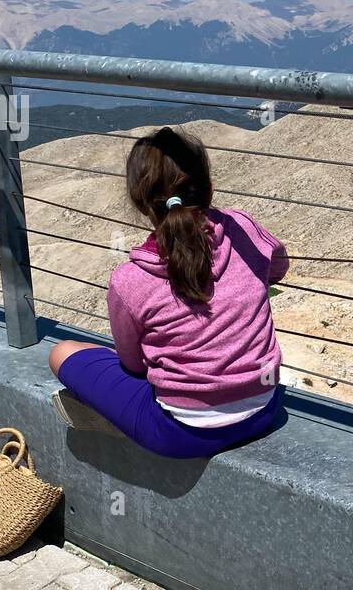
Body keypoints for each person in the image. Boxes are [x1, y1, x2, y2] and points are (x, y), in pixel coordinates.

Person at [48, 127, 288, 458]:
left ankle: (120, 423)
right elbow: (277, 267)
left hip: (182, 434)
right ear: (210, 190)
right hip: (265, 408)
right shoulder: (244, 228)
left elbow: (133, 365)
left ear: (141, 204)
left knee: (62, 352)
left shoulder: (129, 280)